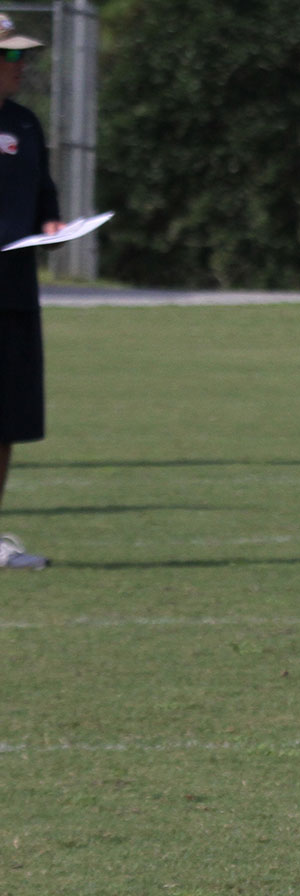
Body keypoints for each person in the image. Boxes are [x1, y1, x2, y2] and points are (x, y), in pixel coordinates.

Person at [0, 13, 61, 571]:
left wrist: (52, 226)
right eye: (10, 56)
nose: (20, 67)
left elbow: (43, 195)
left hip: (14, 292)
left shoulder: (24, 124)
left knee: (6, 420)